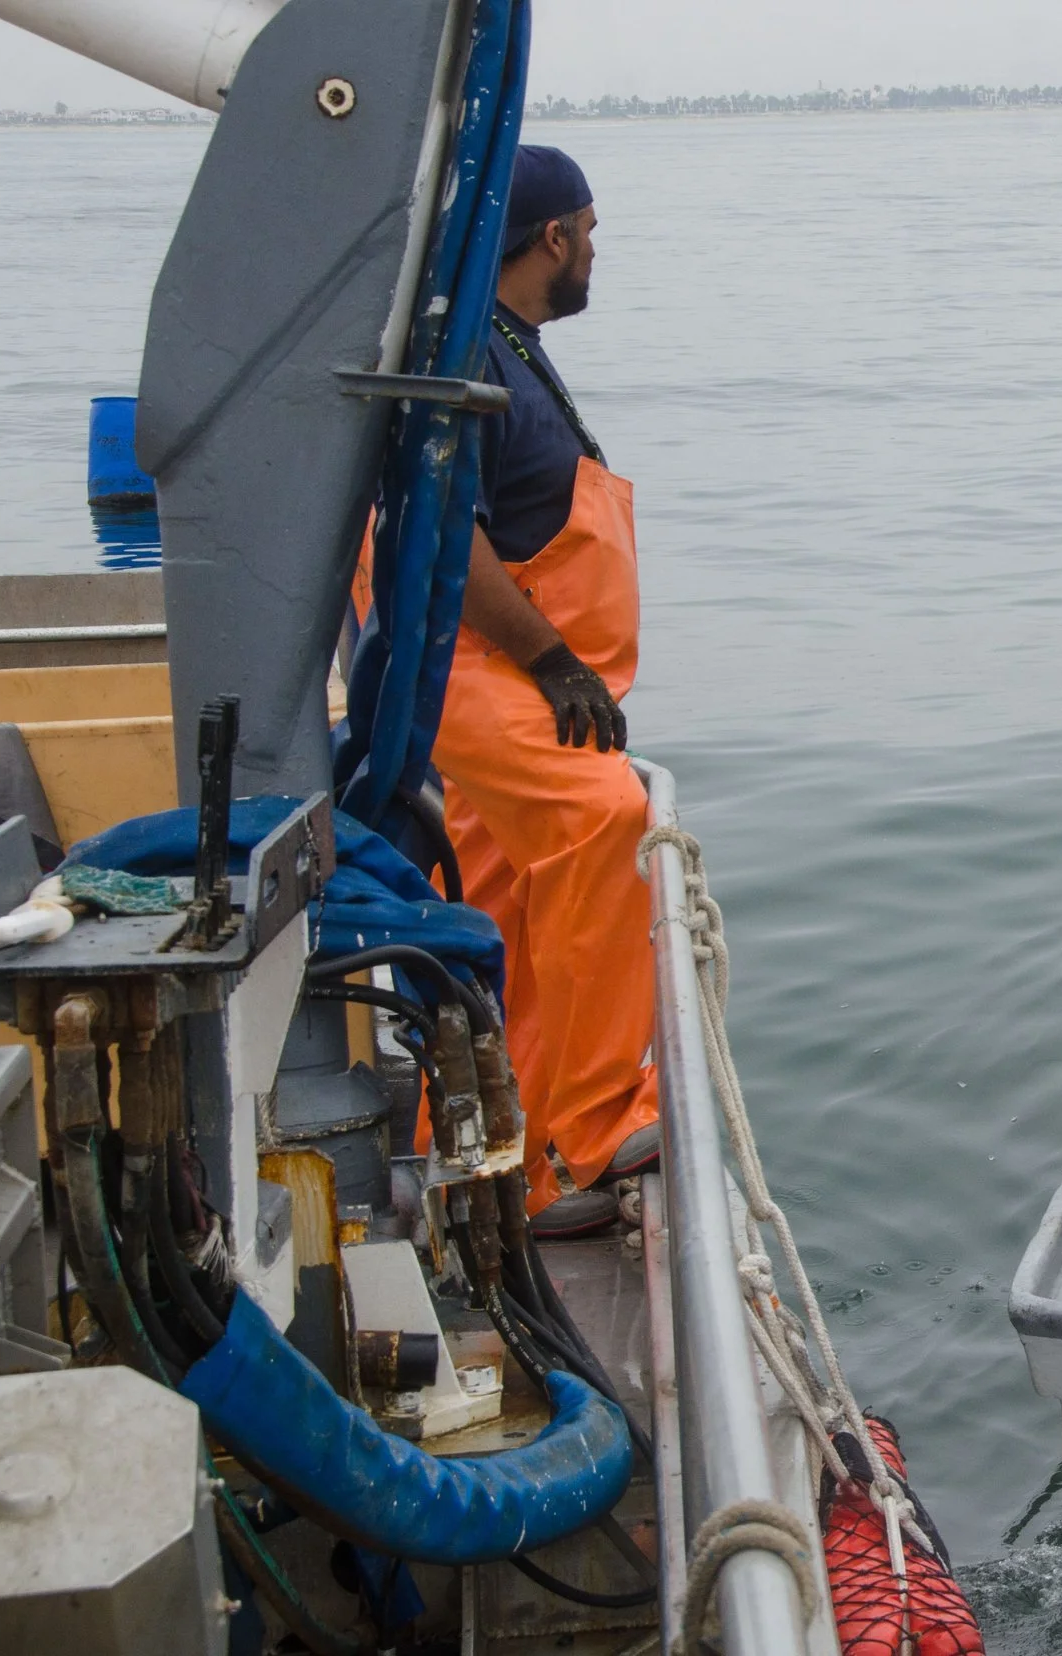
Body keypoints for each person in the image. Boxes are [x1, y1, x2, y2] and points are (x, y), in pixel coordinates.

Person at [438, 144, 658, 1237]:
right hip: (486, 675)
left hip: (513, 680)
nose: (594, 253)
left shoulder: (504, 344)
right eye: (591, 231)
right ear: (556, 237)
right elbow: (441, 535)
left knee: (508, 907)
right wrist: (552, 660)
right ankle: (590, 1125)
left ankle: (506, 1154)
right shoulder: (475, 353)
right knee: (604, 823)